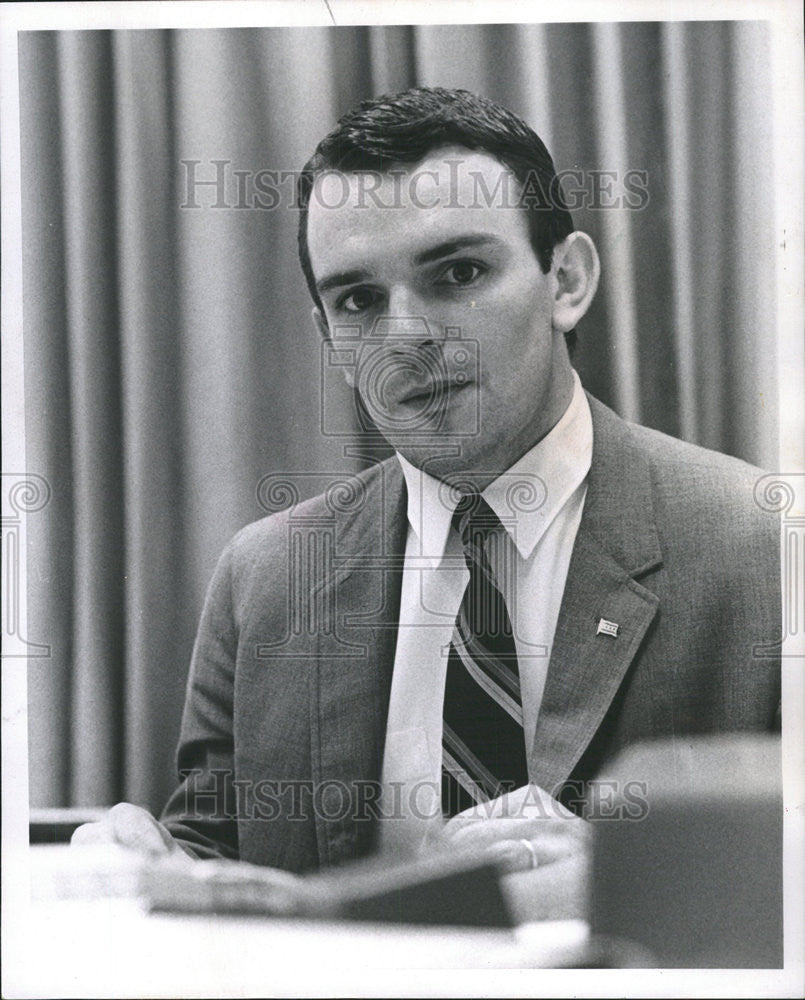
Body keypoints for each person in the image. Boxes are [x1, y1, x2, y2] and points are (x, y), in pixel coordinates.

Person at [73, 87, 780, 920]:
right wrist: (140, 865)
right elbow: (217, 856)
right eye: (359, 300)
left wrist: (620, 881)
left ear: (567, 281)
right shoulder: (264, 579)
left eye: (458, 273)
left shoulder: (761, 548)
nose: (403, 337)